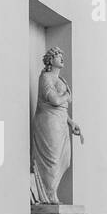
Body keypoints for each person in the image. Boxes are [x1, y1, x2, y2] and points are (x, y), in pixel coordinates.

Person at [31, 47, 82, 204]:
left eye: (62, 55)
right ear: (50, 60)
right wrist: (67, 95)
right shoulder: (46, 77)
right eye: (57, 55)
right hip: (48, 121)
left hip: (60, 121)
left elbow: (61, 107)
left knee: (64, 160)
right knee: (51, 158)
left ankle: (51, 191)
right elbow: (54, 100)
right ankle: (48, 194)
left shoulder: (61, 80)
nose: (61, 58)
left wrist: (71, 122)